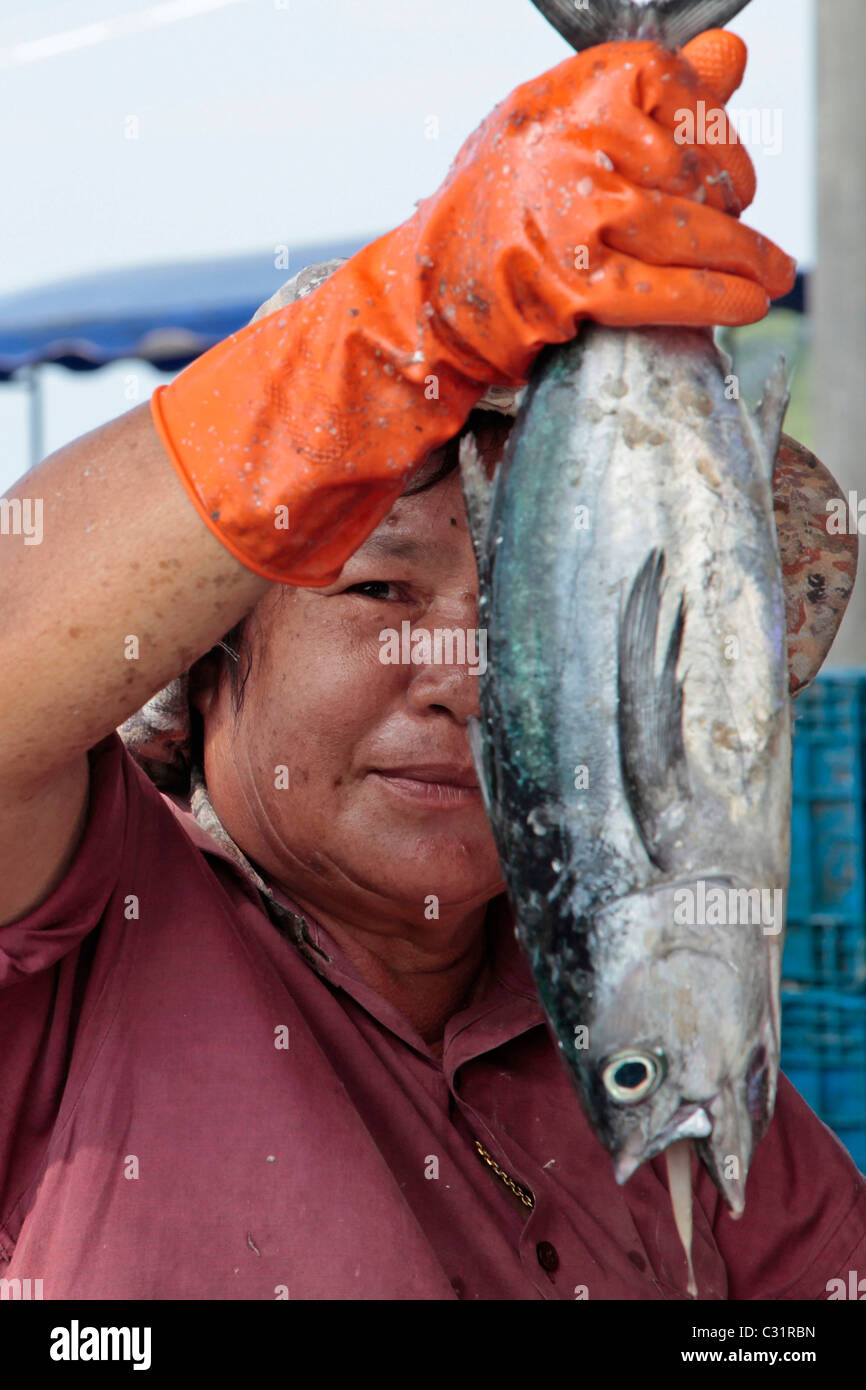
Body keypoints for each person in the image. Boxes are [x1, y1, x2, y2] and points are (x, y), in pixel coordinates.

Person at [0, 29, 863, 1301]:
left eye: (528, 615)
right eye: (379, 588)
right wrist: (412, 313)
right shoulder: (79, 923)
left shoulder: (658, 1037)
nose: (464, 676)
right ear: (211, 653)